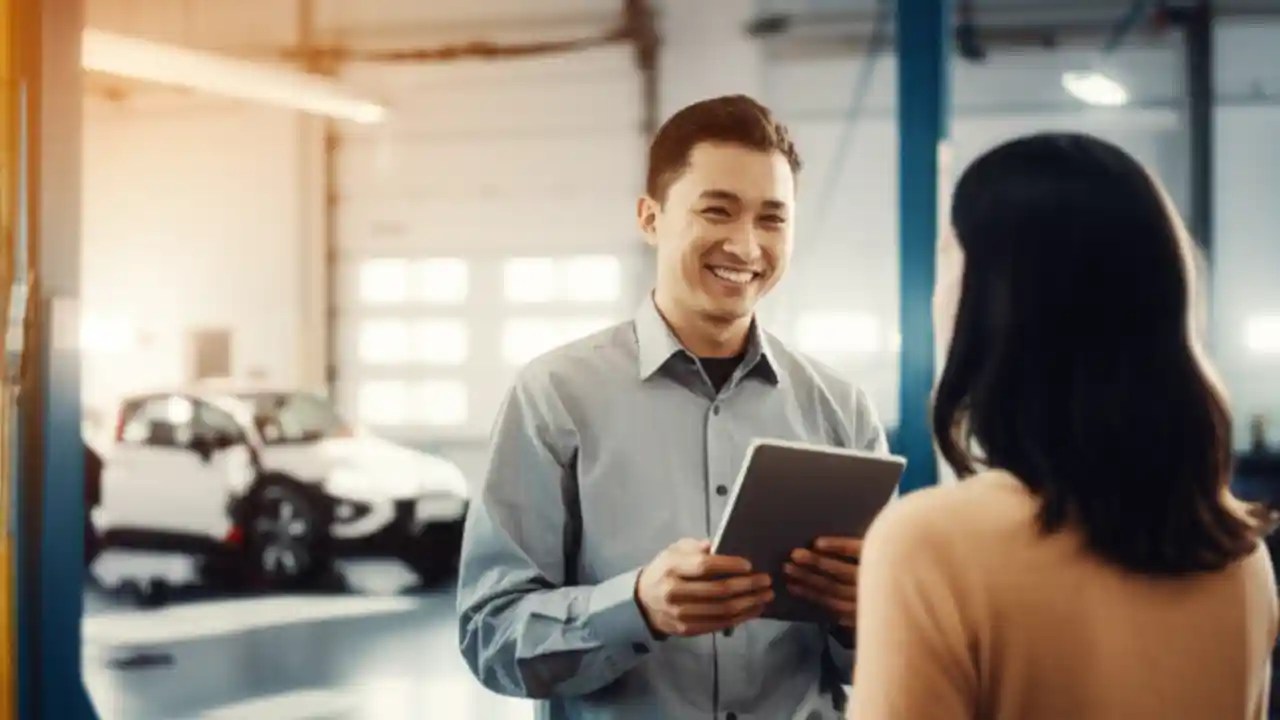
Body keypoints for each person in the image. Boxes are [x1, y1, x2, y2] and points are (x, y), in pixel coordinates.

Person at [457, 94, 886, 719]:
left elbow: (884, 661)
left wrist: (863, 613)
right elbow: (490, 637)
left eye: (773, 219)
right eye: (718, 211)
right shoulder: (556, 397)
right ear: (650, 218)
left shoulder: (841, 411)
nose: (746, 245)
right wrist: (635, 607)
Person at [850, 133, 1278, 719]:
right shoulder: (1235, 554)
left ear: (1000, 294)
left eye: (950, 252)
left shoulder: (930, 543)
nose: (937, 289)